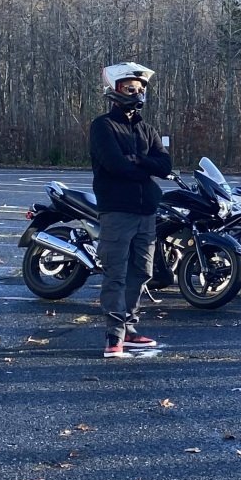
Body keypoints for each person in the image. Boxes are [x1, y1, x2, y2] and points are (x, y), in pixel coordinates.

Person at [90, 62, 172, 360]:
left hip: (146, 211)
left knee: (142, 271)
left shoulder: (147, 128)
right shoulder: (102, 126)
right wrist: (142, 164)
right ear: (115, 91)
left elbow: (165, 166)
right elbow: (115, 165)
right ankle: (114, 335)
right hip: (116, 211)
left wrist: (139, 160)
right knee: (115, 273)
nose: (136, 93)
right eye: (129, 88)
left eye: (140, 88)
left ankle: (129, 327)